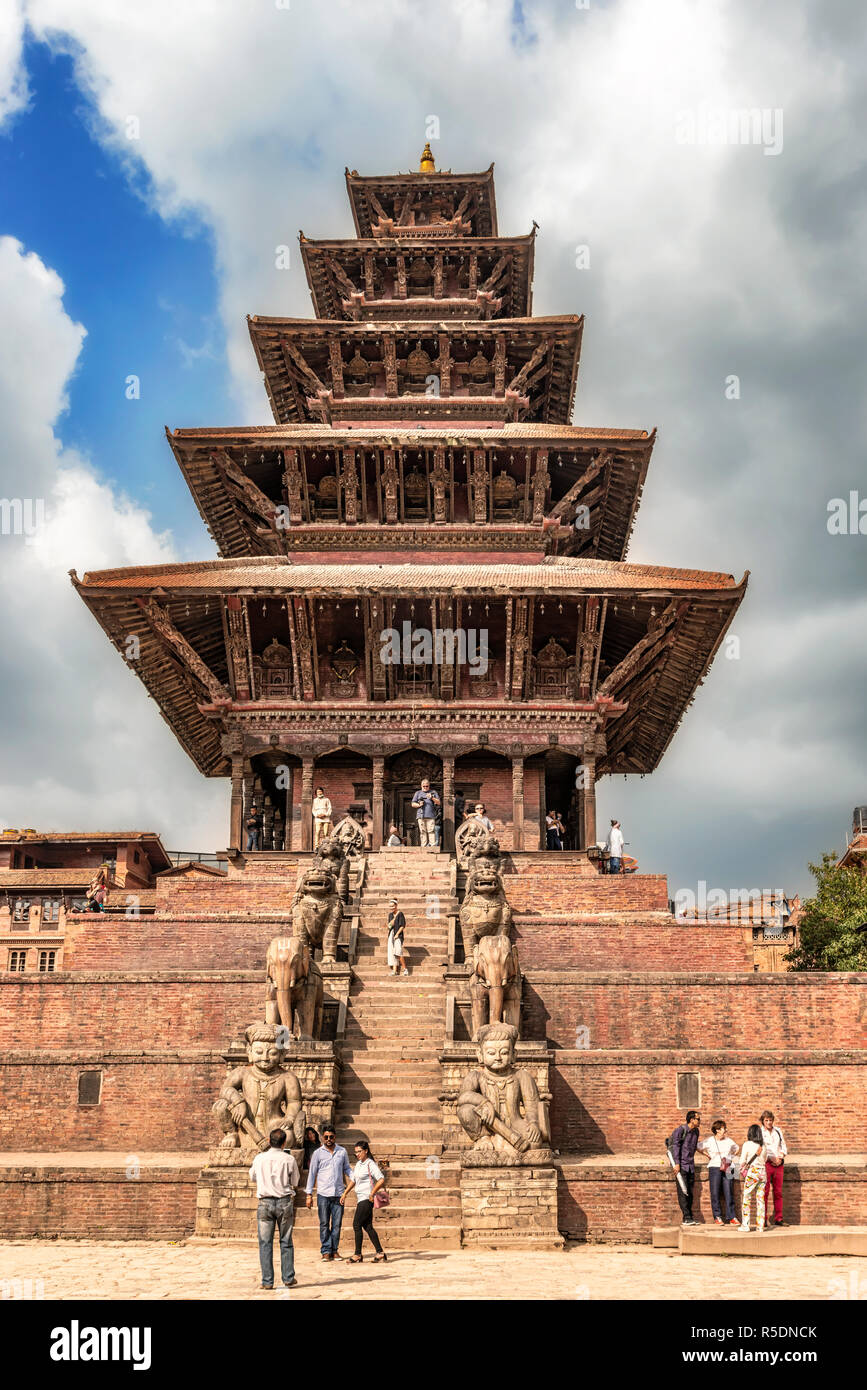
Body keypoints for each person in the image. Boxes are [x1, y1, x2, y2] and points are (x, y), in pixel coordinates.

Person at [248, 1127, 300, 1289]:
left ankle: (267, 1281)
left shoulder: (259, 1158)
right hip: (284, 1202)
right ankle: (288, 1277)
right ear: (284, 1143)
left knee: (265, 1243)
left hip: (265, 1203)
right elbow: (296, 1181)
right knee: (286, 1241)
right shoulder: (288, 1159)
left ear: (269, 1141)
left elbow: (252, 1177)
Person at [305, 1125, 353, 1260]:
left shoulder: (342, 1152)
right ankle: (326, 1250)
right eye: (326, 1137)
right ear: (322, 1137)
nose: (328, 1139)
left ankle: (334, 1250)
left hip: (338, 1193)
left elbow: (347, 1169)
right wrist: (309, 1194)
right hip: (323, 1194)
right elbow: (312, 1173)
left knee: (337, 1224)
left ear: (335, 1137)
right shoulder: (317, 1153)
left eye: (331, 1137)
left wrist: (356, 1177)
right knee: (324, 1223)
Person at [343, 1139, 387, 1264]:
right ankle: (380, 1252)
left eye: (359, 1152)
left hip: (366, 1199)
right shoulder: (358, 1164)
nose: (357, 1154)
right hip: (360, 1198)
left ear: (366, 1151)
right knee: (367, 1226)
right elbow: (354, 1180)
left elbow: (381, 1179)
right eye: (355, 1152)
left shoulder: (370, 1164)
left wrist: (372, 1193)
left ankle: (357, 1254)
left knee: (356, 1224)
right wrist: (345, 1193)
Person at [698, 1119, 740, 1226]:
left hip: (729, 1166)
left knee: (729, 1191)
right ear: (717, 1130)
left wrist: (730, 1157)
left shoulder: (729, 1140)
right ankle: (717, 1216)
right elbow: (698, 1147)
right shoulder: (709, 1141)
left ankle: (732, 1217)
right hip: (714, 1166)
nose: (725, 1130)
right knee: (715, 1192)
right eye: (723, 1128)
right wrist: (707, 1155)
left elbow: (737, 1148)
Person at [670, 1110, 701, 1225]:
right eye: (698, 1119)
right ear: (692, 1120)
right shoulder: (681, 1130)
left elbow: (694, 1148)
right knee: (683, 1191)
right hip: (681, 1165)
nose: (699, 1121)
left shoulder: (696, 1132)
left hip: (690, 1165)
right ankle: (686, 1218)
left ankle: (690, 1216)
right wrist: (677, 1163)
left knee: (690, 1192)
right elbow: (675, 1147)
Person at [761, 1109, 788, 1227]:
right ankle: (763, 1218)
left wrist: (781, 1156)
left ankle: (779, 1218)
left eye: (770, 1120)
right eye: (766, 1120)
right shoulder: (760, 1132)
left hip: (779, 1164)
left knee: (778, 1192)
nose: (769, 1122)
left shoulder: (778, 1131)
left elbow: (783, 1145)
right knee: (764, 1192)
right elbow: (761, 1148)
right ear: (763, 1121)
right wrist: (771, 1158)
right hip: (767, 1163)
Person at [739, 1123, 768, 1232]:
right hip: (762, 1173)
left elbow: (742, 1161)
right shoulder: (763, 1146)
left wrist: (743, 1166)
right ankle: (760, 1226)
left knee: (747, 1198)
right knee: (760, 1200)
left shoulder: (747, 1144)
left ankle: (745, 1225)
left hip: (752, 1172)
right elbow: (765, 1159)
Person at [411, 778, 440, 847]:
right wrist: (419, 805)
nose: (425, 788)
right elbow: (412, 804)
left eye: (427, 786)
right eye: (424, 786)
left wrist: (432, 798)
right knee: (422, 832)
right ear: (421, 786)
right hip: (420, 815)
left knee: (431, 831)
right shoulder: (418, 793)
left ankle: (432, 847)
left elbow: (439, 803)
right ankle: (423, 846)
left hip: (431, 815)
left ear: (429, 786)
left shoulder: (433, 792)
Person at [387, 899, 407, 977]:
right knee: (392, 953)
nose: (391, 908)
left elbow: (402, 926)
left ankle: (405, 969)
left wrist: (397, 934)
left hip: (398, 935)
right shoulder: (390, 915)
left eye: (393, 906)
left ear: (396, 905)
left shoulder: (400, 914)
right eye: (390, 906)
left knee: (398, 952)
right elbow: (389, 926)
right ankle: (394, 971)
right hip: (391, 934)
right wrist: (390, 924)